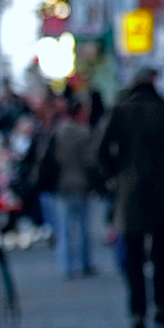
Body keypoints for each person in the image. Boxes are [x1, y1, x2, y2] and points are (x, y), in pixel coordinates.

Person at [97, 68, 164, 328]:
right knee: (162, 253)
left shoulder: (121, 112)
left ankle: (137, 312)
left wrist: (115, 175)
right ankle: (163, 307)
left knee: (133, 256)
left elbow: (101, 151)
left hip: (131, 193)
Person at [40, 98, 96, 279]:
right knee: (82, 226)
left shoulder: (57, 133)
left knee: (64, 227)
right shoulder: (84, 133)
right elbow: (90, 160)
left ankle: (66, 266)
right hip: (81, 184)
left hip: (62, 184)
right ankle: (84, 263)